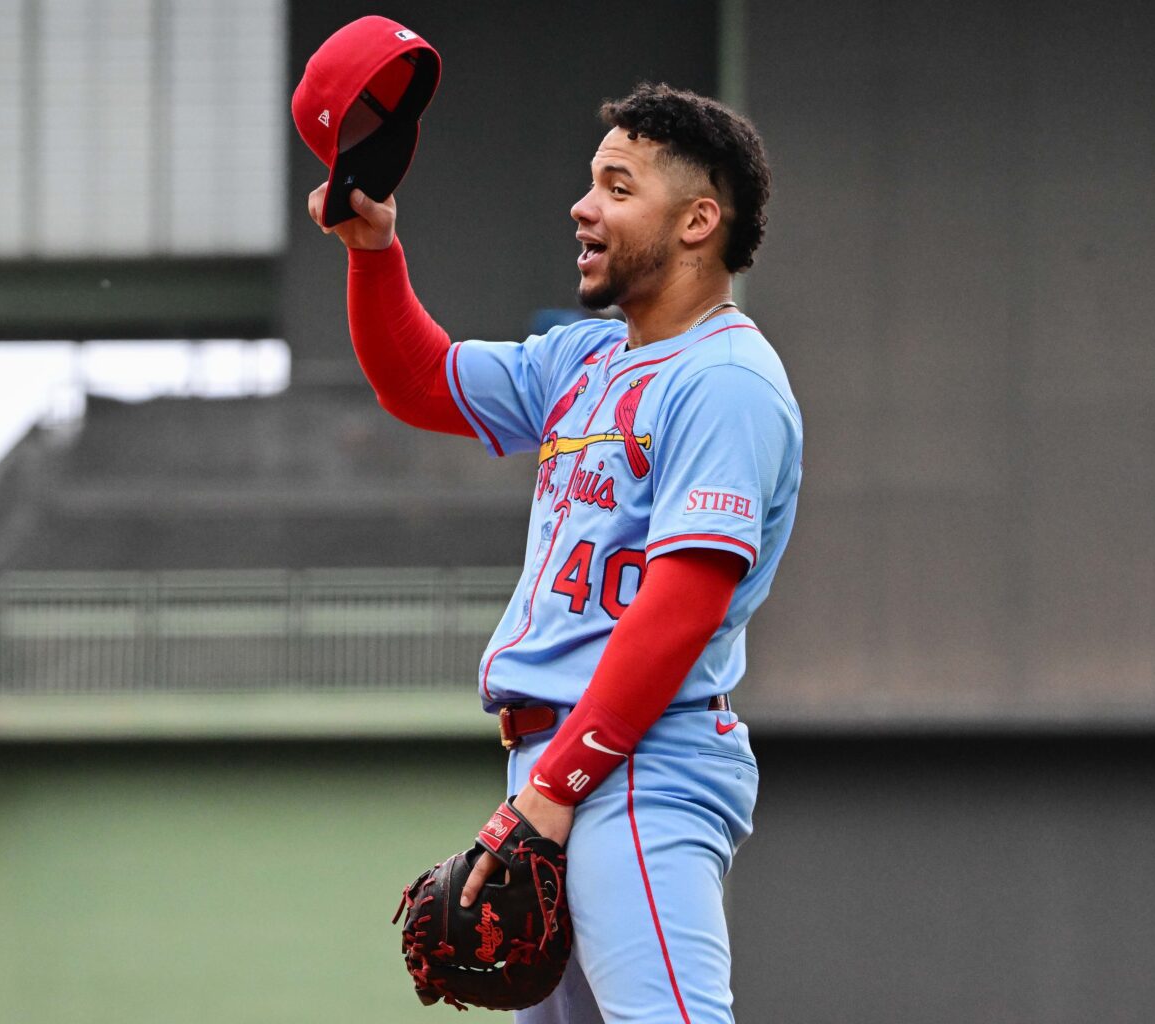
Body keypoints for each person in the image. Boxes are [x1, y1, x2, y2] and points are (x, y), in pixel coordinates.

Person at [308, 82, 802, 1024]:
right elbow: (422, 383)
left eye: (618, 187)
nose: (584, 205)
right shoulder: (584, 358)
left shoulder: (726, 382)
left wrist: (557, 787)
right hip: (557, 764)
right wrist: (373, 251)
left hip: (640, 763)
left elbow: (681, 606)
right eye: (591, 182)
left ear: (699, 221)